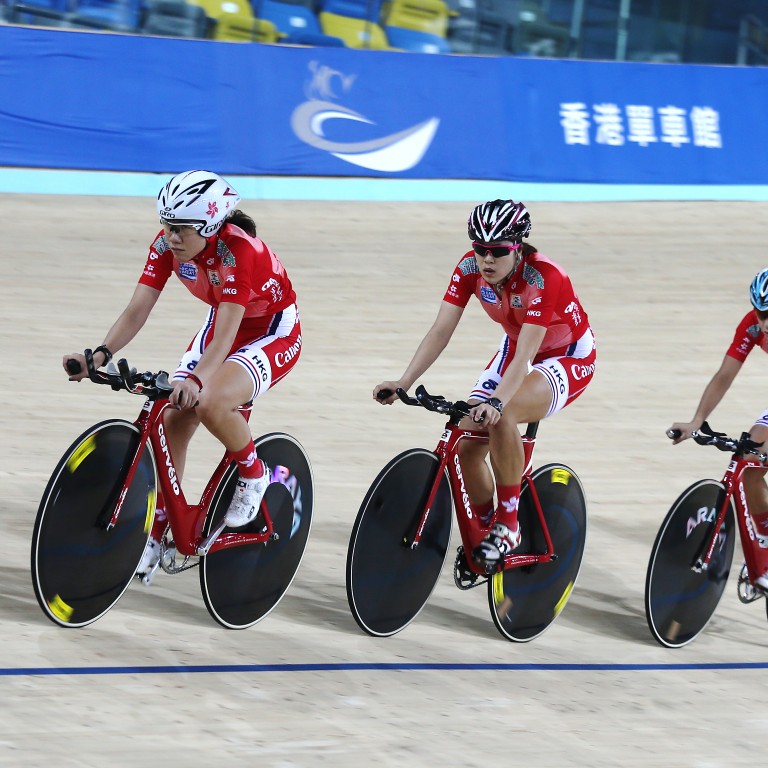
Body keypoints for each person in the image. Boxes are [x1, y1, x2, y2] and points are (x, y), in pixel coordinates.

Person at [63, 170, 302, 582]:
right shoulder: (166, 246)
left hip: (270, 332)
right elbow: (139, 306)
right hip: (224, 324)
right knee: (172, 419)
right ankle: (157, 532)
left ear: (209, 227)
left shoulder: (238, 254)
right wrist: (100, 354)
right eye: (166, 225)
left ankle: (253, 472)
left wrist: (195, 382)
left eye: (182, 229)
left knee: (209, 401)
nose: (171, 237)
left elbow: (227, 335)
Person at [373, 199, 596, 572]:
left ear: (519, 246)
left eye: (497, 251)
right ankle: (483, 530)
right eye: (480, 249)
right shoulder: (468, 268)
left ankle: (508, 524)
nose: (487, 259)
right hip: (516, 348)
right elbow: (442, 329)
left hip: (565, 356)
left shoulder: (543, 277)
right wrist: (404, 381)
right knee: (465, 439)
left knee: (502, 414)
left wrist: (497, 402)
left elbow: (527, 355)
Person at [669, 267, 768, 589]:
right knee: (750, 462)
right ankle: (764, 540)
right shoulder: (753, 326)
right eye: (761, 313)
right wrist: (697, 421)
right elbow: (725, 375)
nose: (765, 322)